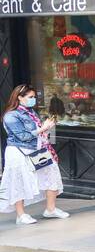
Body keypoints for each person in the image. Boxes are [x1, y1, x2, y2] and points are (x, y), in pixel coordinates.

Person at [0, 84, 69, 225]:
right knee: (19, 181)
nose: (33, 100)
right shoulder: (11, 115)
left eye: (34, 97)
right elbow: (23, 136)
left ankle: (51, 209)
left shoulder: (31, 112)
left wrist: (47, 128)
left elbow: (38, 132)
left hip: (36, 149)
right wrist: (42, 128)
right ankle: (20, 215)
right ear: (19, 97)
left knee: (51, 172)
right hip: (20, 152)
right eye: (30, 97)